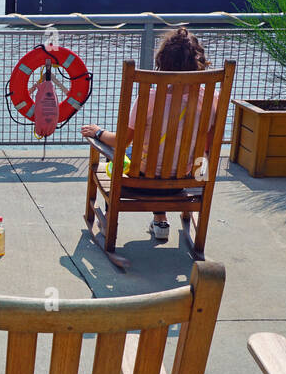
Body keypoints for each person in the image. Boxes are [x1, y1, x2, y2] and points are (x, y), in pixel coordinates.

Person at [81, 27, 214, 242]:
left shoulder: (150, 98)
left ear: (163, 60)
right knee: (172, 156)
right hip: (185, 180)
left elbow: (121, 141)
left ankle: (108, 221)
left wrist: (98, 132)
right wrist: (195, 175)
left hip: (140, 179)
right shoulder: (211, 99)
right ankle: (160, 219)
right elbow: (207, 147)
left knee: (115, 157)